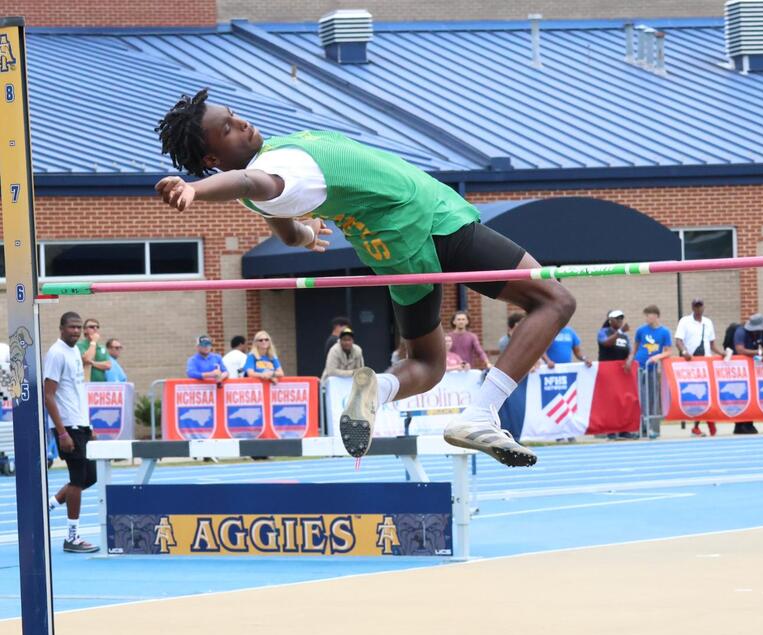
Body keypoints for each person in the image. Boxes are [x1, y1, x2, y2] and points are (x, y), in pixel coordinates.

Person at [155, 89, 575, 468]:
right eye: (227, 128)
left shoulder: (266, 190)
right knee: (554, 301)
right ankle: (481, 414)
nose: (242, 122)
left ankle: (377, 387)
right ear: (211, 160)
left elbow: (283, 223)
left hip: (392, 251)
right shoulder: (277, 166)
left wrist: (304, 234)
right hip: (429, 220)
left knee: (427, 365)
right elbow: (250, 179)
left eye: (234, 114)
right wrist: (197, 191)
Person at [44, 312, 100, 553]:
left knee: (90, 477)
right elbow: (48, 395)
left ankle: (49, 505)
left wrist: (89, 425)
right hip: (67, 426)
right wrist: (62, 432)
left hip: (81, 423)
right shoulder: (56, 353)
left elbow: (77, 390)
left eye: (79, 328)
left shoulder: (75, 351)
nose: (76, 331)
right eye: (72, 327)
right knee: (78, 480)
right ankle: (72, 537)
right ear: (61, 328)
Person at [675, 298, 722, 437]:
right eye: (696, 306)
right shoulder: (685, 321)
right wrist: (684, 352)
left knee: (707, 395)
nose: (698, 309)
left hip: (706, 363)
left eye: (700, 306)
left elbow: (712, 344)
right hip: (692, 364)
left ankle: (707, 421)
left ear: (703, 307)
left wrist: (722, 353)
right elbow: (678, 340)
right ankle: (702, 424)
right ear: (692, 307)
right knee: (697, 396)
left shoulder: (708, 322)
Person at [634, 305, 672, 439]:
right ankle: (641, 427)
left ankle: (653, 427)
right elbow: (636, 347)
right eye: (645, 315)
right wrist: (632, 361)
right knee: (640, 397)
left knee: (652, 398)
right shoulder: (641, 330)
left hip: (652, 369)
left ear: (655, 315)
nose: (646, 318)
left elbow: (668, 351)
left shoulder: (664, 332)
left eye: (648, 315)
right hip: (639, 367)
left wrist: (658, 357)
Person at [733, 314, 763, 435]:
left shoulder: (762, 333)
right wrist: (760, 352)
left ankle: (749, 422)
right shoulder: (740, 332)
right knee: (741, 395)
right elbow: (740, 350)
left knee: (753, 395)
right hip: (740, 370)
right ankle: (740, 424)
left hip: (754, 369)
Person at [597, 310, 635, 439]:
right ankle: (610, 430)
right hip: (608, 372)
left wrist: (630, 360)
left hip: (622, 373)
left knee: (623, 401)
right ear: (610, 320)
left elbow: (630, 350)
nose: (620, 321)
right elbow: (606, 343)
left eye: (621, 319)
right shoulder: (604, 332)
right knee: (610, 401)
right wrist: (620, 332)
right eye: (617, 319)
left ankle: (623, 429)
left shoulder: (624, 336)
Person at [77, 318, 111, 382]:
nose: (95, 329)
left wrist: (92, 363)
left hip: (101, 387)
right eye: (91, 327)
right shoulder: (80, 345)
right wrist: (94, 341)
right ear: (85, 330)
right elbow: (87, 358)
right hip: (85, 385)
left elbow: (108, 365)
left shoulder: (102, 347)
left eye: (97, 327)